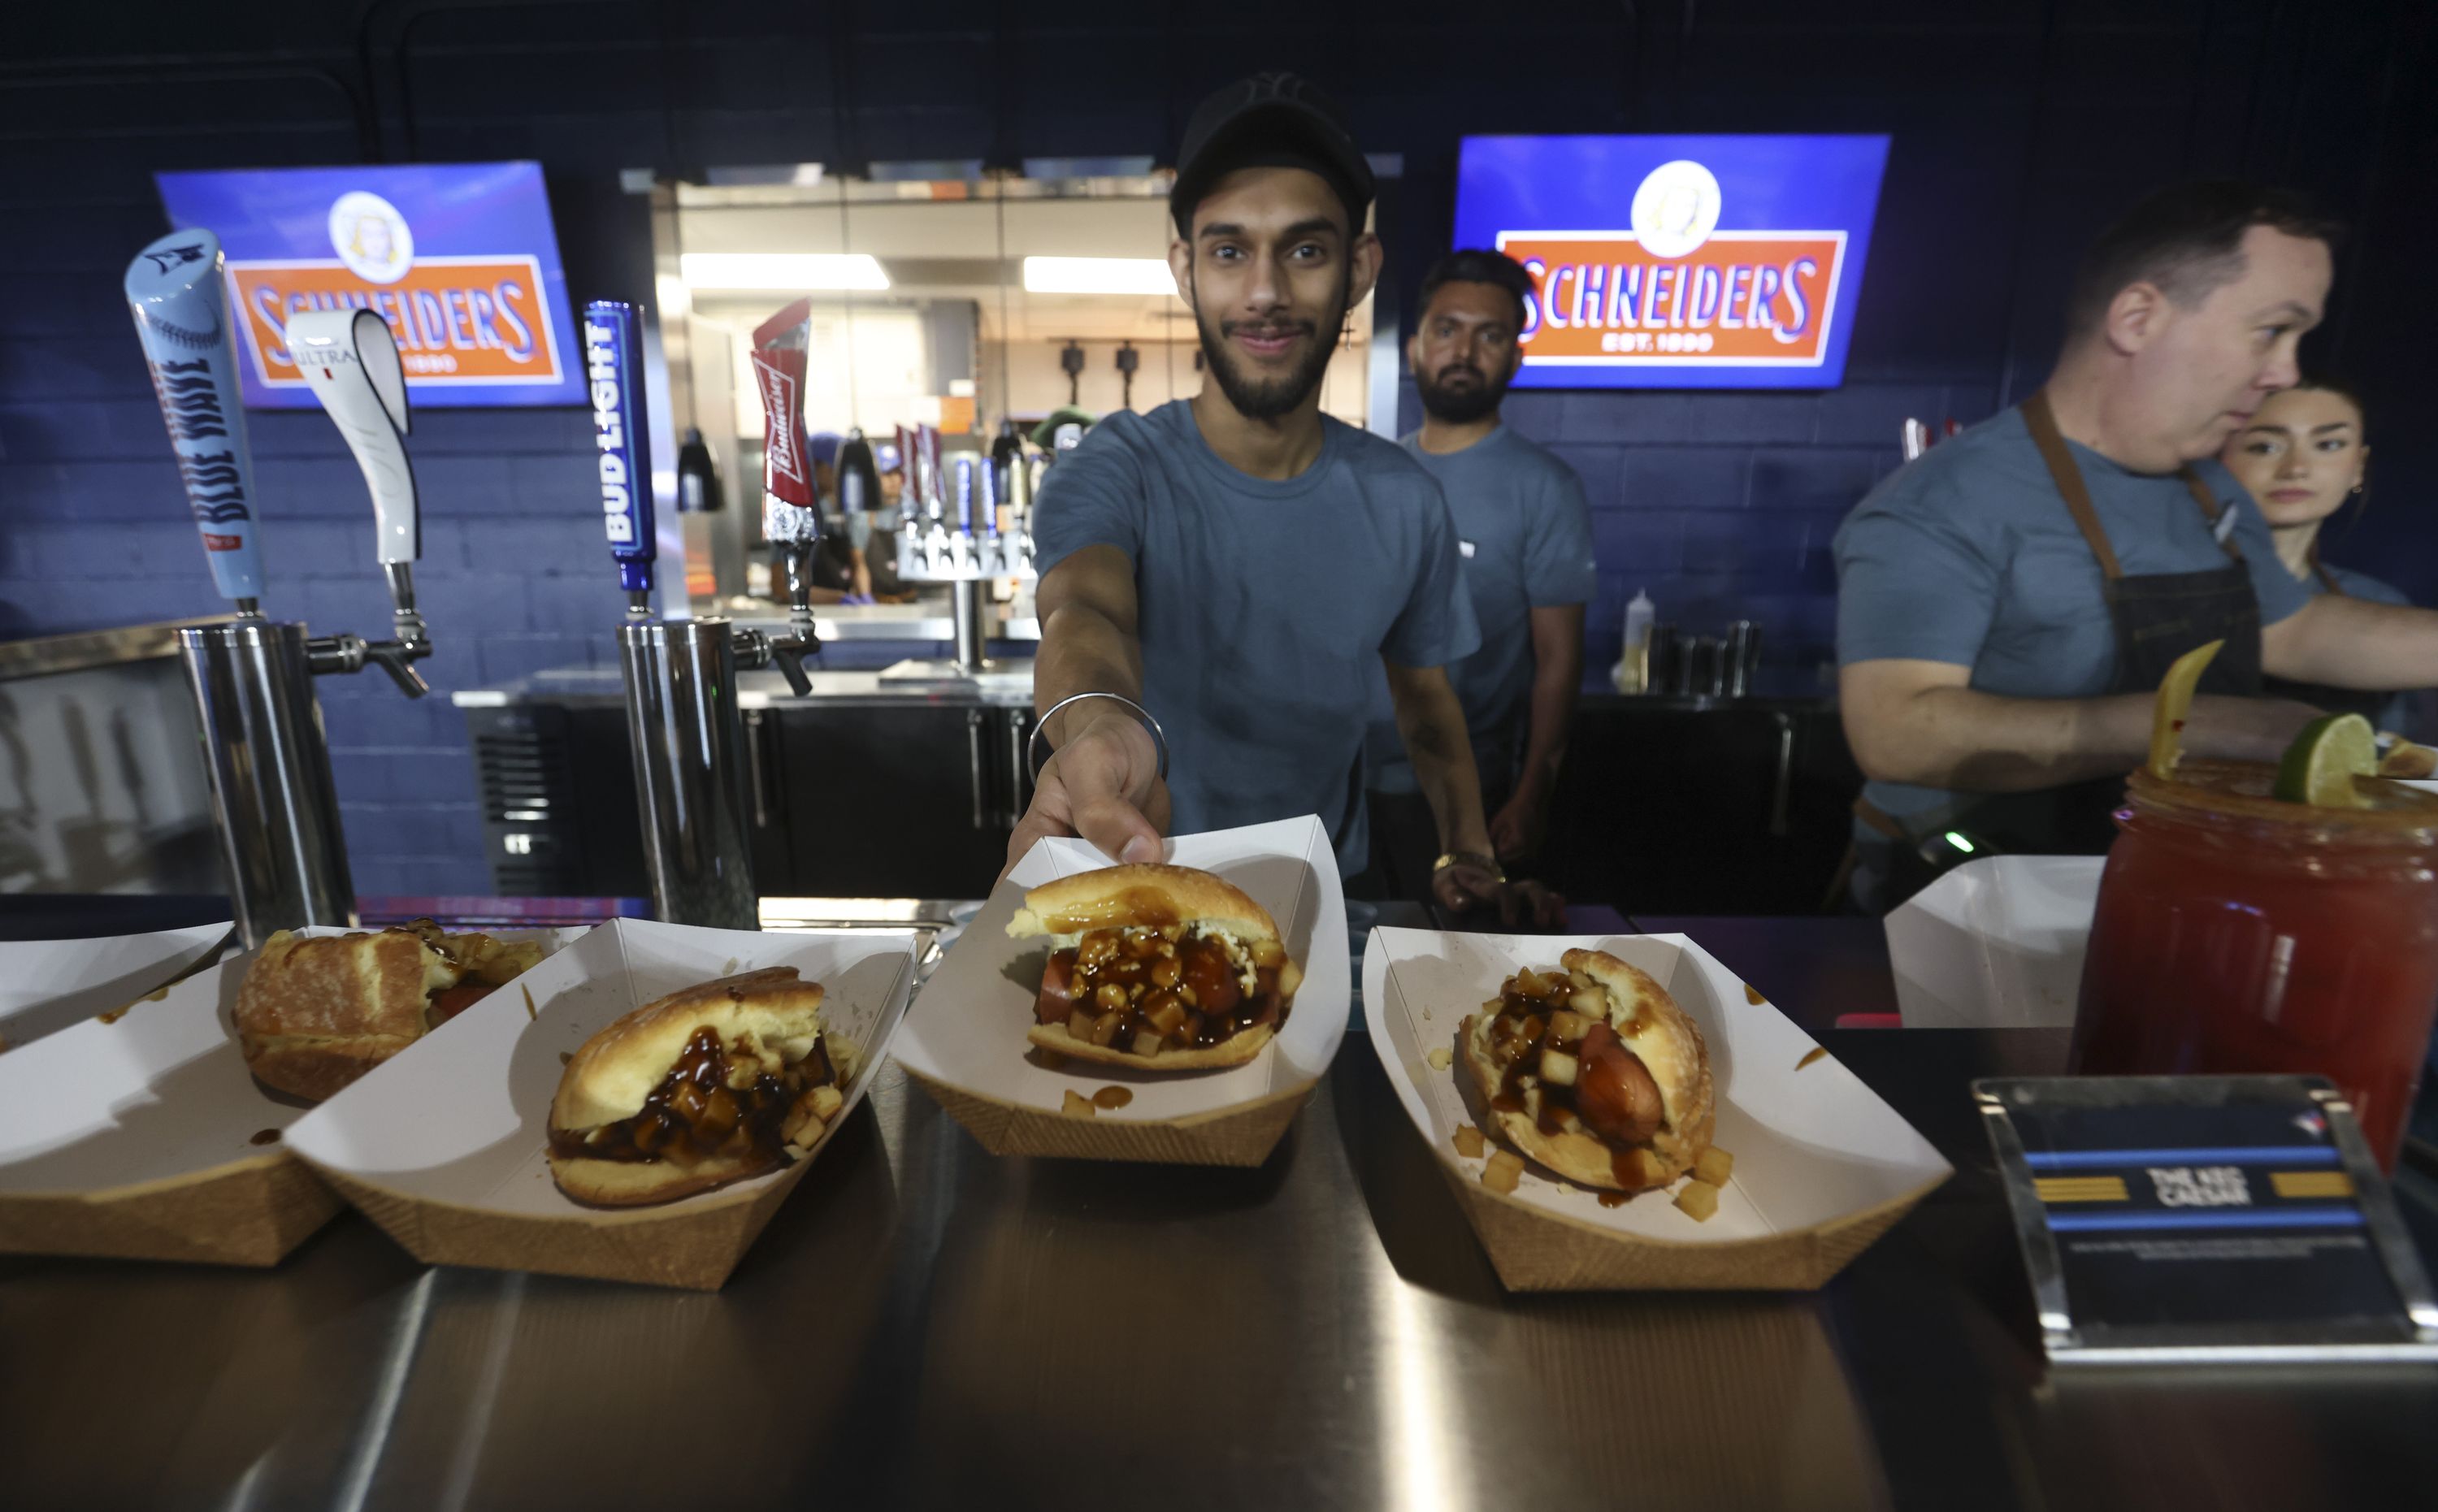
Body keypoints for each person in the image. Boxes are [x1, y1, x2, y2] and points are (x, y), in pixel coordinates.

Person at [1006, 72, 1560, 925]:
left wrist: (1469, 851)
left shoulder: (1404, 499)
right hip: (1144, 893)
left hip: (1324, 904)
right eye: (1230, 250)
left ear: (1360, 269)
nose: (1265, 291)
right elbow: (1085, 608)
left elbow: (1428, 708)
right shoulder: (1118, 464)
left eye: (1305, 249)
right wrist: (1095, 721)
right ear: (1186, 269)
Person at [1835, 180, 2438, 911]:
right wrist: (2197, 725)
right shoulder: (1942, 503)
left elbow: (2295, 628)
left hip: (2152, 874)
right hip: (1965, 889)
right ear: (2139, 317)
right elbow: (1896, 731)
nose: (2284, 369)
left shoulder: (2209, 487)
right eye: (2273, 329)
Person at [1362, 249, 1595, 901]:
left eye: (1489, 335)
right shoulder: (1374, 475)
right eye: (1447, 329)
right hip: (1347, 791)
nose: (1463, 350)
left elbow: (1558, 660)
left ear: (1515, 358)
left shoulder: (1545, 488)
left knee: (1451, 978)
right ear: (1414, 347)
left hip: (1466, 797)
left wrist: (1531, 792)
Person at [2219, 378, 2417, 731]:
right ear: (2218, 457)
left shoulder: (2376, 602)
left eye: (2328, 444)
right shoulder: (2173, 587)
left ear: (2358, 466)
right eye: (2265, 447)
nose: (2296, 468)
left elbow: (2396, 760)